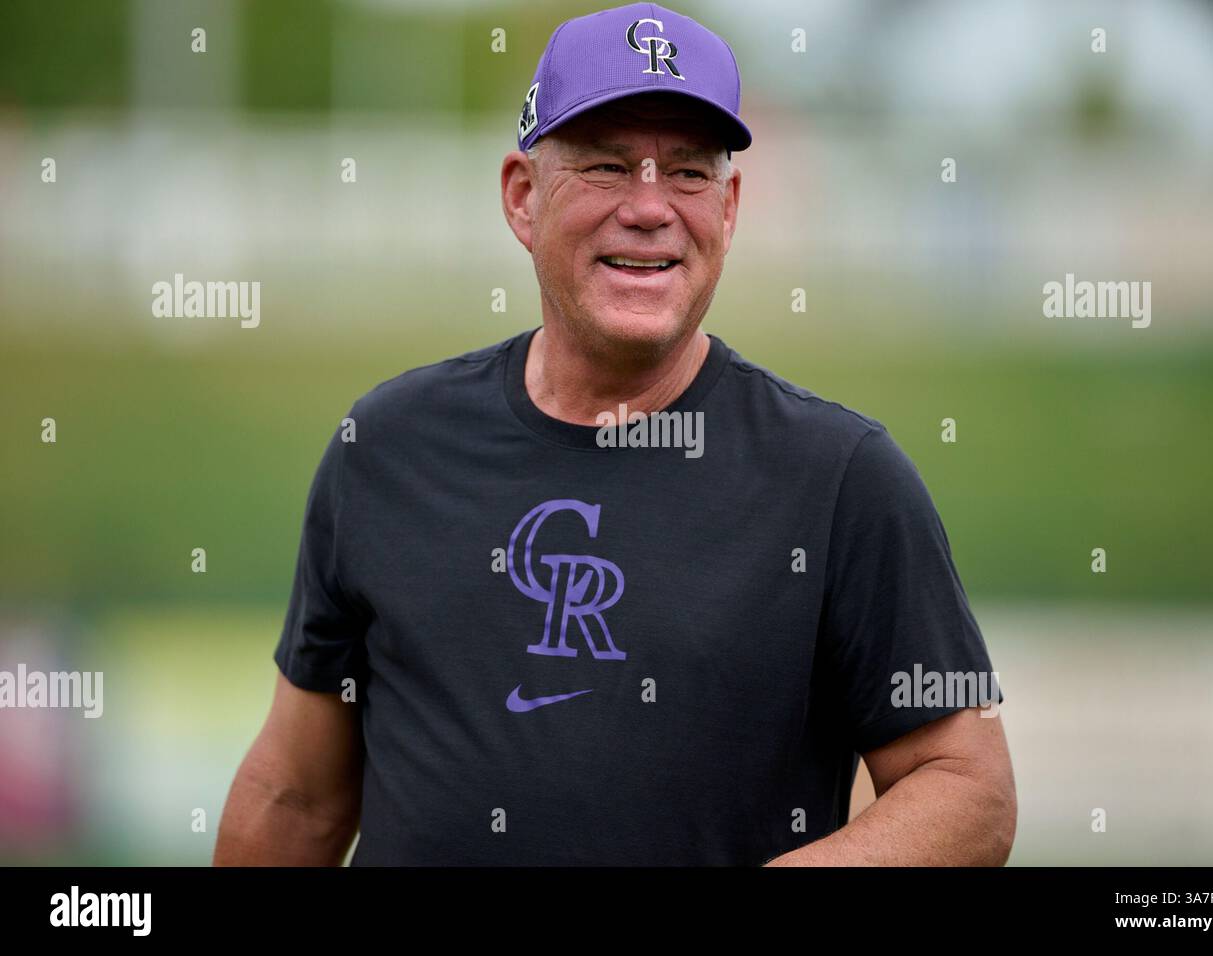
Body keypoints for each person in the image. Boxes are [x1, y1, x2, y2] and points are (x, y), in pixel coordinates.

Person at [215, 1, 1015, 867]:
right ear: (524, 198)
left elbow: (968, 788)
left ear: (731, 206)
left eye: (687, 173)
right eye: (605, 166)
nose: (649, 208)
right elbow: (296, 796)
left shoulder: (839, 479)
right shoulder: (385, 447)